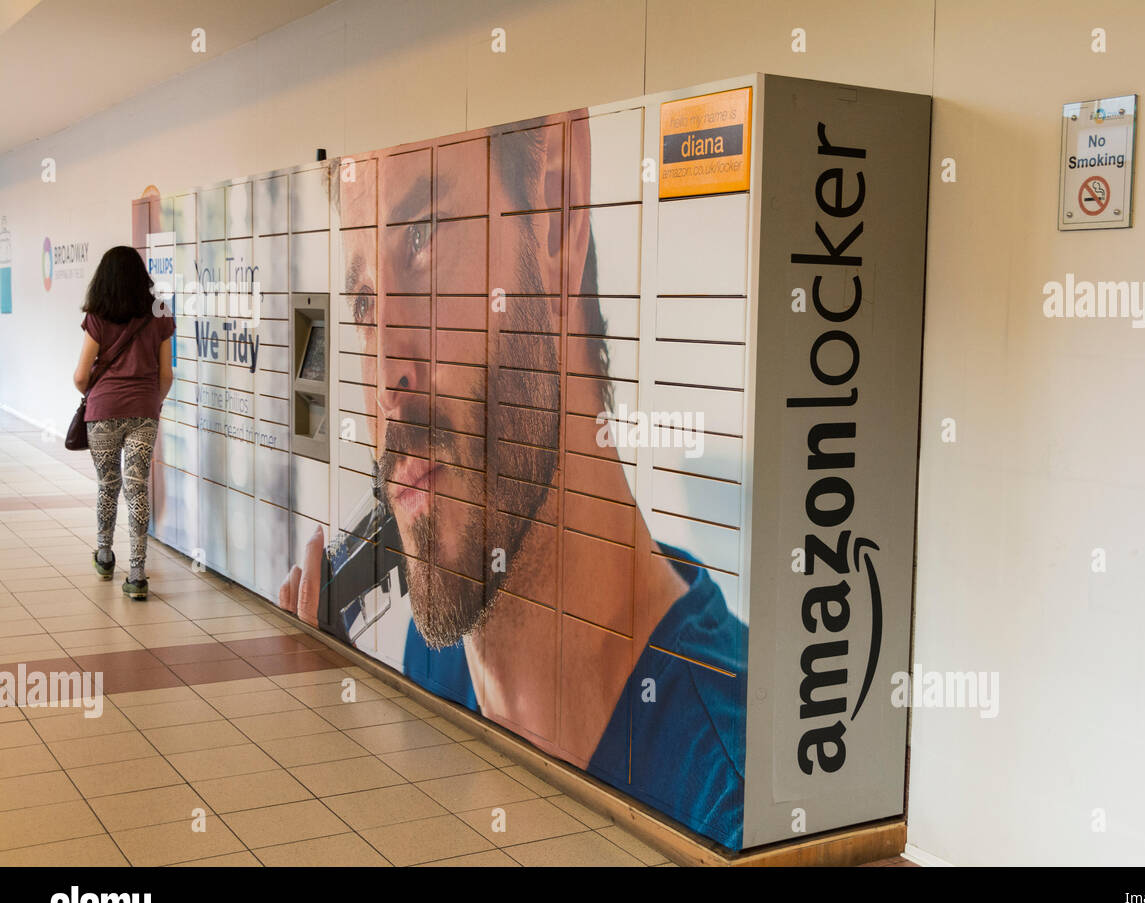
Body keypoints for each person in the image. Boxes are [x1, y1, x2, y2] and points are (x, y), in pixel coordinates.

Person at [276, 115, 747, 848]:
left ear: (557, 208)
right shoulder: (433, 668)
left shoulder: (735, 801)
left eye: (424, 237)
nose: (383, 380)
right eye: (365, 306)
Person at [72, 246, 175, 599]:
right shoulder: (159, 312)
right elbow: (166, 373)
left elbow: (81, 375)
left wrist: (97, 394)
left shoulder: (98, 315)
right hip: (144, 410)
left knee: (108, 484)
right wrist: (153, 403)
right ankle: (137, 574)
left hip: (103, 412)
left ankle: (104, 555)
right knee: (137, 486)